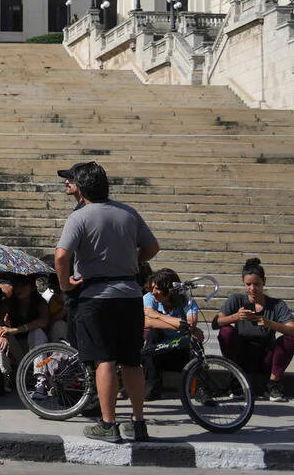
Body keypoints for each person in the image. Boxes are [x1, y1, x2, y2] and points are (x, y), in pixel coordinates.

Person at [55, 162, 159, 443]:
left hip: (96, 297)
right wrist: (132, 261)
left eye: (72, 181)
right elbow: (152, 247)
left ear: (82, 188)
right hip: (129, 295)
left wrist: (65, 284)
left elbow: (61, 256)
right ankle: (138, 423)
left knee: (105, 360)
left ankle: (108, 424)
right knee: (132, 362)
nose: (67, 184)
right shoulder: (128, 213)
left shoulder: (80, 216)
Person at [216, 258, 294, 403]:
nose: (252, 288)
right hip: (241, 355)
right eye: (248, 284)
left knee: (288, 340)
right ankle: (236, 380)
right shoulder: (236, 299)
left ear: (264, 281)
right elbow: (216, 322)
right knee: (226, 331)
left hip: (265, 356)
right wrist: (235, 317)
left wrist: (269, 323)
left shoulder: (277, 305)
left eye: (256, 284)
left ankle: (273, 384)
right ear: (243, 283)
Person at [141, 268, 200, 401]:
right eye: (152, 287)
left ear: (169, 290)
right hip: (158, 350)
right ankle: (152, 385)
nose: (153, 292)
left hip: (180, 349)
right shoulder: (149, 298)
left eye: (157, 288)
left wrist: (158, 316)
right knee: (153, 333)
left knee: (195, 342)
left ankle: (200, 388)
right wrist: (183, 326)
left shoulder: (186, 301)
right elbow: (147, 321)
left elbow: (190, 323)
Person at [0, 274, 49, 389]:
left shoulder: (40, 302)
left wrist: (17, 330)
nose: (19, 289)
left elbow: (44, 321)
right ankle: (5, 375)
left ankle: (41, 378)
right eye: (16, 285)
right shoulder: (9, 303)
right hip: (18, 349)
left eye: (23, 285)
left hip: (37, 351)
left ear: (32, 288)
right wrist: (3, 334)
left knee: (37, 332)